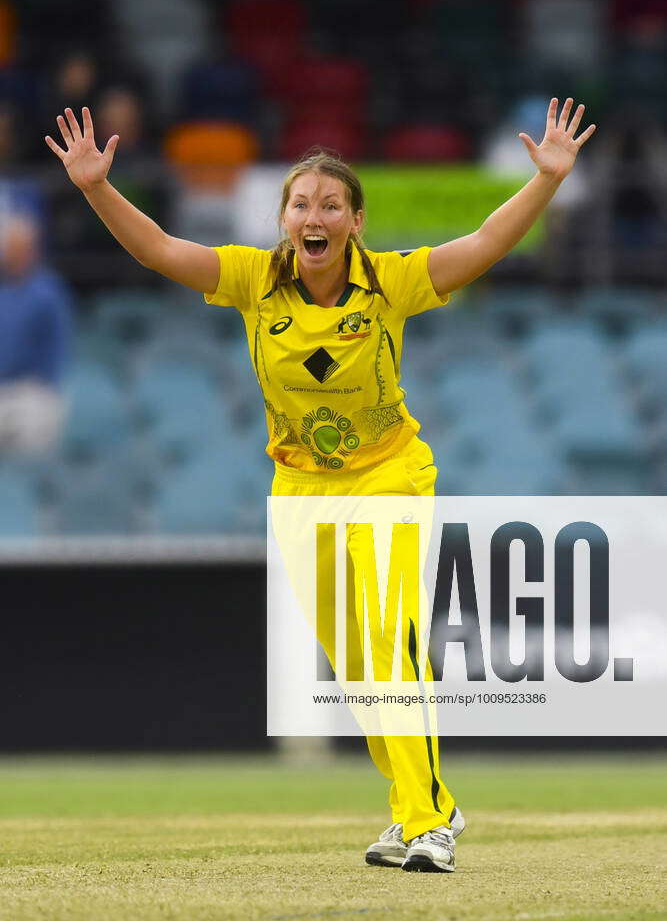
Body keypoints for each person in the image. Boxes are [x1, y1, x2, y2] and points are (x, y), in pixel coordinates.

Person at [45, 98, 596, 872]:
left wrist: (544, 183)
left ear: (354, 221)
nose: (315, 214)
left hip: (389, 475)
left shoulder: (392, 283)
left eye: (330, 204)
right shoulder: (251, 280)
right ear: (283, 220)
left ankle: (432, 819)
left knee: (389, 636)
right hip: (301, 490)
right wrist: (97, 188)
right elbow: (162, 251)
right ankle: (411, 813)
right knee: (355, 663)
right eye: (301, 203)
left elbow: (481, 242)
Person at [0, 212, 71, 455]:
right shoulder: (5, 292)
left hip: (35, 392)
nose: (11, 254)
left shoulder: (48, 292)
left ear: (32, 250)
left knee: (30, 463)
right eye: (9, 248)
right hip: (4, 390)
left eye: (18, 248)